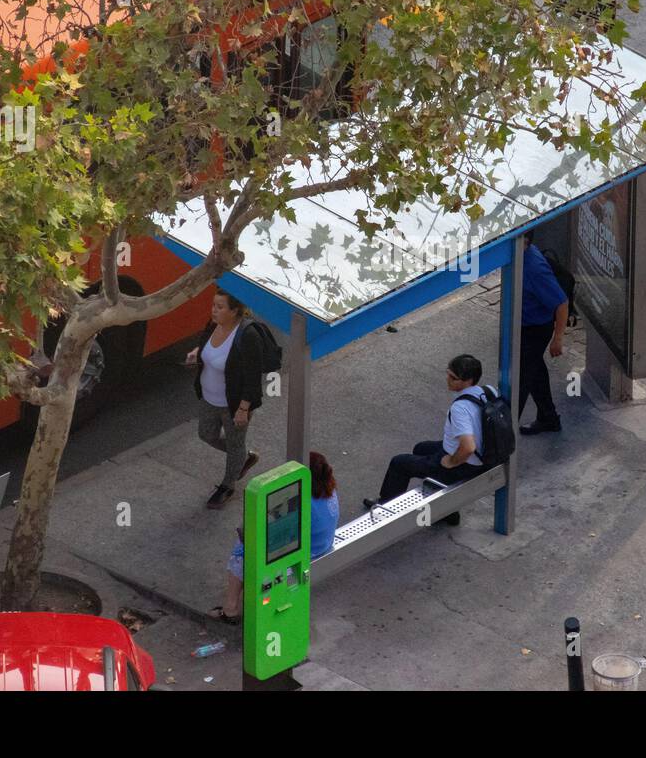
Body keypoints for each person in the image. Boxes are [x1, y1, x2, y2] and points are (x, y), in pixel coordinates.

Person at [207, 452, 339, 624]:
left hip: (304, 557)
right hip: (323, 545)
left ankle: (230, 609)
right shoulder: (328, 489)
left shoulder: (301, 502)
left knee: (242, 549)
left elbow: (274, 532)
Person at [362, 354, 491, 525]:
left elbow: (467, 447)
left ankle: (386, 507)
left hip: (464, 464)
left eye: (453, 378)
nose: (448, 380)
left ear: (468, 381)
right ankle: (447, 512)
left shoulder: (460, 408)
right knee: (420, 448)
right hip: (485, 455)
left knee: (399, 463)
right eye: (448, 374)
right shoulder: (486, 392)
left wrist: (450, 462)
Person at [185, 291, 264, 510]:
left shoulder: (247, 336)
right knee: (206, 434)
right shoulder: (213, 325)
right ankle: (245, 457)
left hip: (233, 405)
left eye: (220, 307)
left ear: (235, 311)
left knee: (235, 442)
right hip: (209, 398)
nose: (214, 310)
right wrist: (196, 353)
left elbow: (252, 378)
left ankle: (227, 486)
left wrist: (243, 409)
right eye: (213, 305)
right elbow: (205, 345)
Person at [518, 242, 569, 435]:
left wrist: (558, 339)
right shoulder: (523, 254)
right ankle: (549, 418)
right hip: (525, 324)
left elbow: (562, 303)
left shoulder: (534, 269)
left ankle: (501, 439)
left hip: (534, 330)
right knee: (535, 374)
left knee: (521, 382)